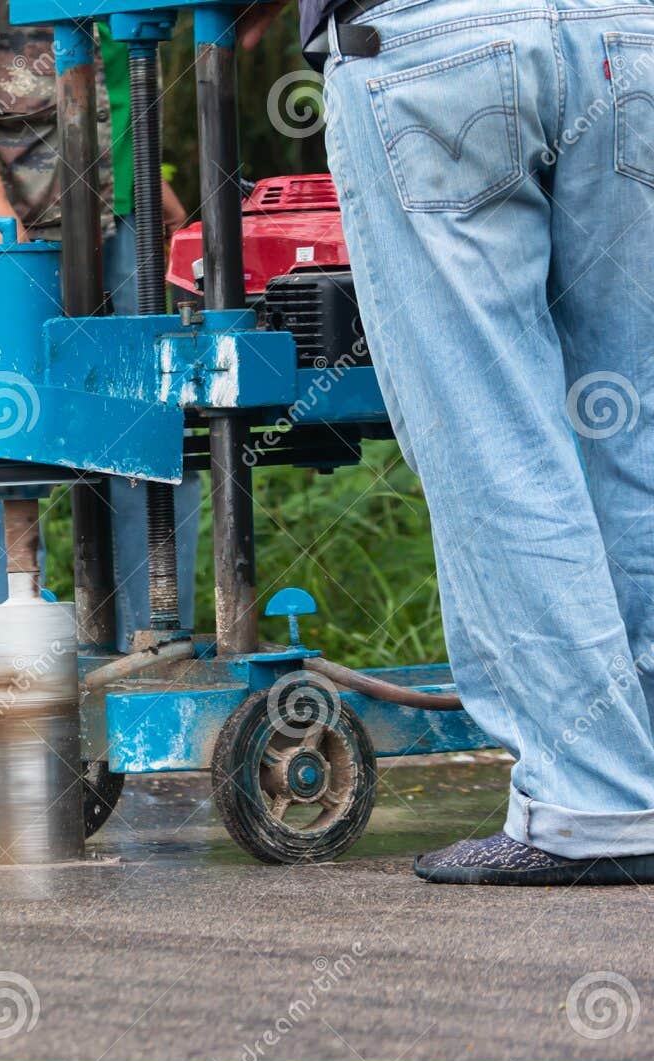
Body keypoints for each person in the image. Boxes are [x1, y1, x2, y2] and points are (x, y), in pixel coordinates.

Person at [258, 0, 654, 883]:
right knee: (637, 430)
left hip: (441, 45)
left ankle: (595, 799)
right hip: (628, 38)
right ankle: (635, 775)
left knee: (494, 432)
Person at [0, 0, 201, 792]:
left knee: (150, 439)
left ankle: (154, 708)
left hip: (117, 187)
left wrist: (146, 173)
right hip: (7, 196)